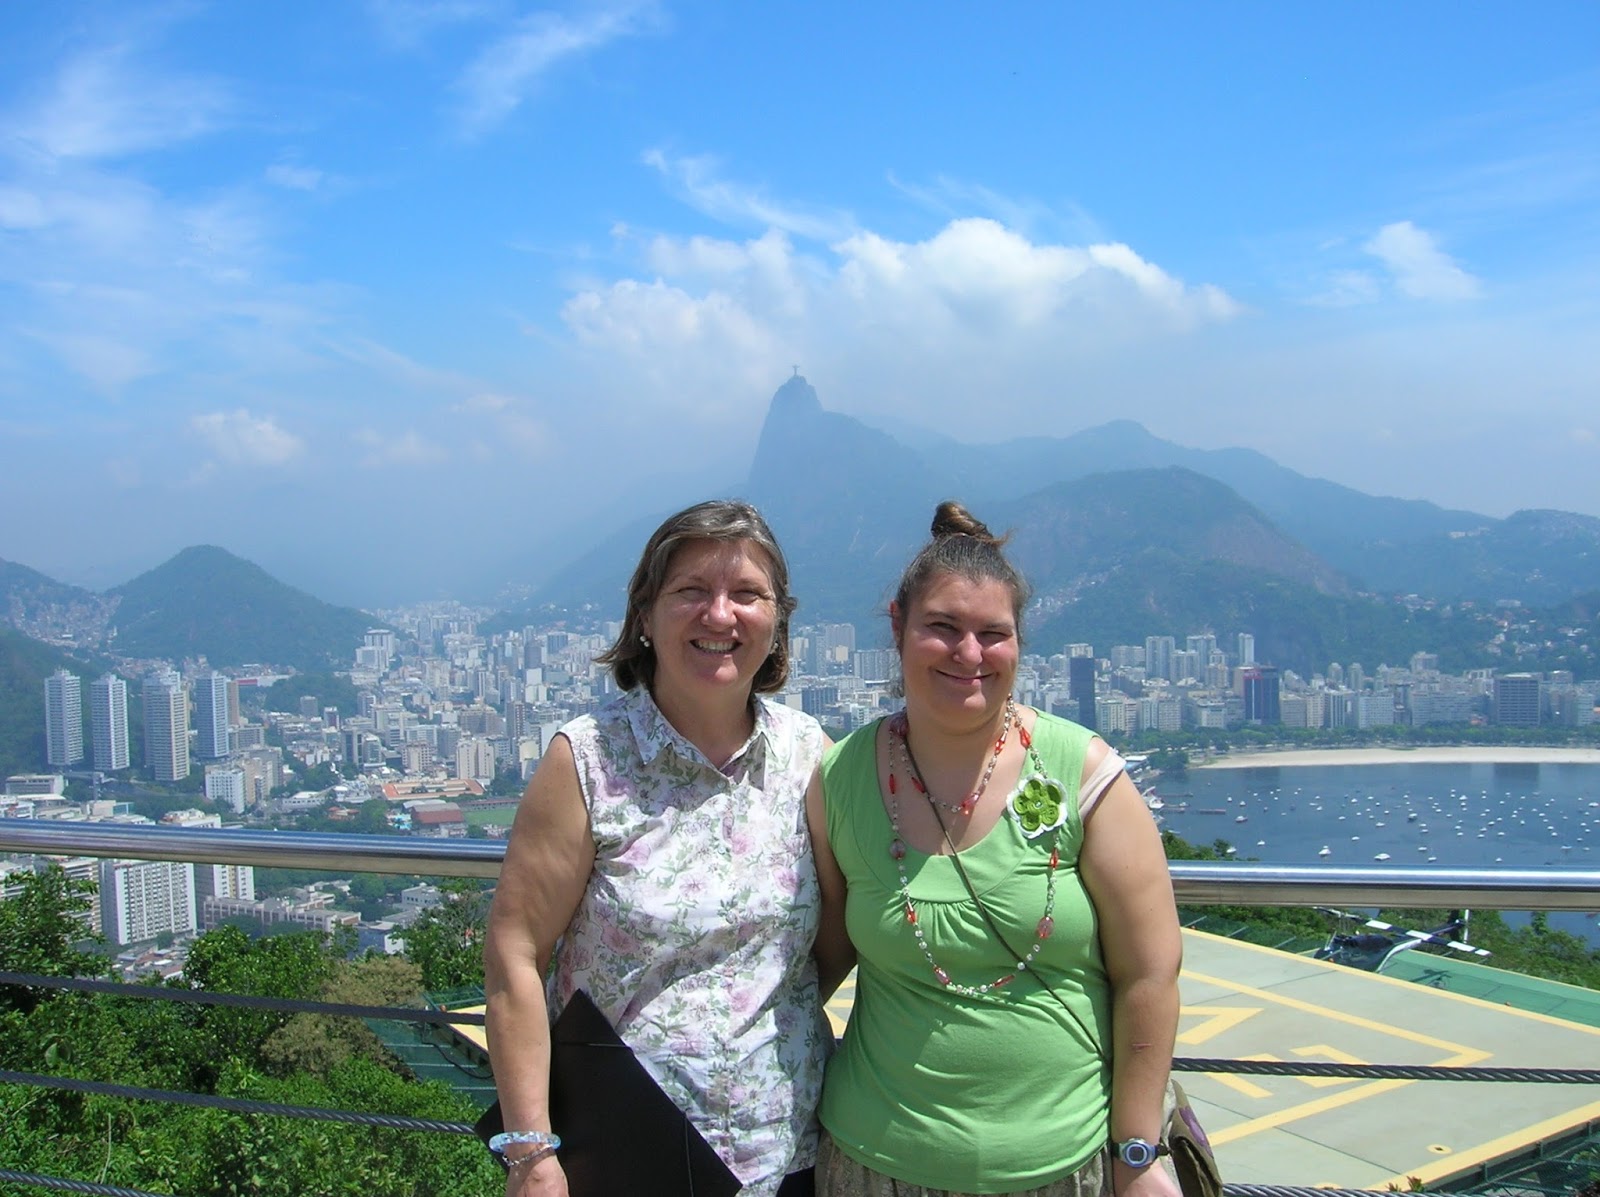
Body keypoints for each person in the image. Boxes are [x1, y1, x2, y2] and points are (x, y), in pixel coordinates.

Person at [807, 501, 1183, 1197]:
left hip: (1063, 1164)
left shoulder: (1083, 771)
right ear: (897, 627)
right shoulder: (841, 778)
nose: (969, 654)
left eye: (993, 634)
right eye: (943, 628)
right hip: (870, 1159)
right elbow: (822, 959)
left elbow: (1150, 975)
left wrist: (1136, 1152)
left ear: (1019, 643)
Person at [484, 499, 832, 1197]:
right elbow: (515, 951)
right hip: (622, 1149)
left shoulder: (808, 756)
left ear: (779, 620)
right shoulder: (586, 759)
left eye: (747, 594)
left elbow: (834, 935)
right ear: (645, 616)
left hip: (783, 1150)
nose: (720, 614)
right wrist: (530, 1149)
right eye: (691, 592)